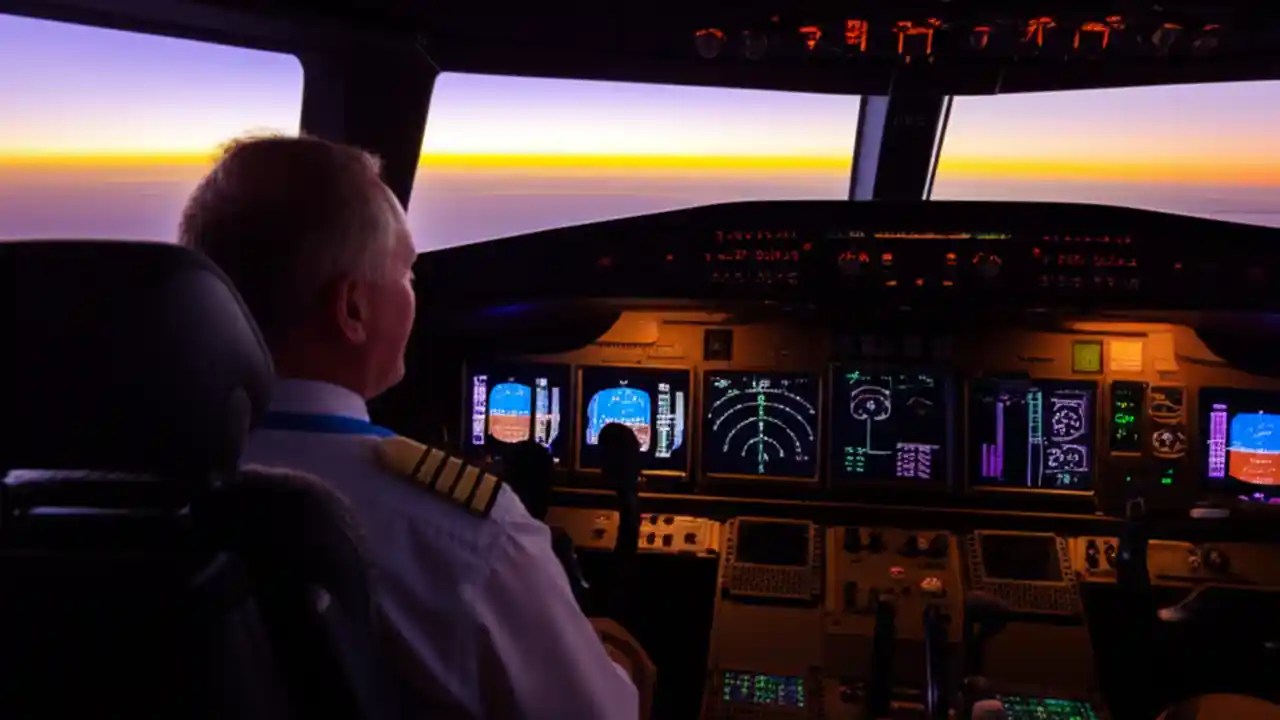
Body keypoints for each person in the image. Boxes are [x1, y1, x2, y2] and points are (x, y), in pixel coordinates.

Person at [180, 135, 639, 719]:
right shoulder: (470, 533)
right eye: (408, 275)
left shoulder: (113, 498)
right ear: (352, 310)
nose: (414, 296)